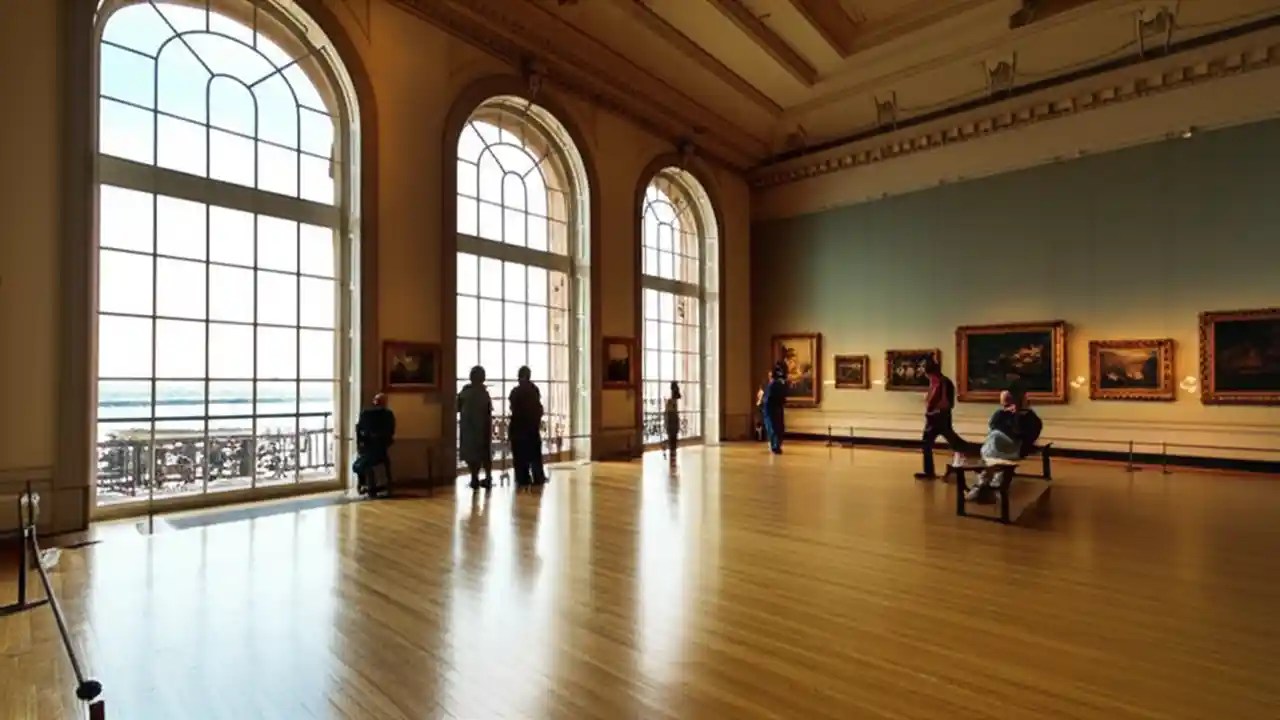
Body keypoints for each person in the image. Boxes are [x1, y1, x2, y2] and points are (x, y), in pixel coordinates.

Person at [965, 391, 1043, 502]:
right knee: (994, 438)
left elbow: (1027, 436)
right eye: (1004, 404)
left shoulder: (1030, 417)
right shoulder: (1001, 414)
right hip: (997, 448)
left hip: (1015, 448)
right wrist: (1005, 413)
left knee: (994, 439)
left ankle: (986, 485)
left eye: (1008, 403)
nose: (1005, 406)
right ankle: (985, 484)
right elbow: (992, 425)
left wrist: (1017, 417)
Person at [914, 358, 968, 480]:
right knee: (928, 444)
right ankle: (929, 472)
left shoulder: (943, 382)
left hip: (940, 418)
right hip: (934, 417)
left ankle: (965, 459)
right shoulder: (935, 381)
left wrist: (933, 409)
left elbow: (946, 403)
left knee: (951, 441)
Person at [508, 366, 548, 487]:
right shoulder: (534, 390)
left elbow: (512, 407)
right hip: (531, 428)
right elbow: (538, 408)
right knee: (535, 455)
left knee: (519, 457)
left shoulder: (515, 392)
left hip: (518, 429)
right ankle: (537, 477)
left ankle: (522, 478)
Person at [457, 365, 494, 491]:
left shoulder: (465, 392)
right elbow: (488, 411)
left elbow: (457, 407)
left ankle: (474, 478)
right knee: (484, 454)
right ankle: (487, 477)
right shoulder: (484, 393)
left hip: (469, 428)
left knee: (471, 455)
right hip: (483, 428)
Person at [353, 393, 395, 497]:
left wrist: (361, 443)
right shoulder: (388, 415)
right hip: (380, 448)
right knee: (366, 462)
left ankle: (367, 485)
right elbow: (391, 432)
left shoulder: (366, 414)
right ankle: (371, 485)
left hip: (369, 447)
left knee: (361, 463)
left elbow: (359, 429)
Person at [762, 363, 787, 454]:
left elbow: (768, 398)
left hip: (771, 409)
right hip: (776, 408)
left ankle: (774, 445)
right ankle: (776, 445)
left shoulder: (772, 385)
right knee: (777, 427)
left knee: (772, 428)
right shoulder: (779, 384)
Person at [665, 381, 682, 462]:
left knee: (673, 437)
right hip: (671, 418)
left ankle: (673, 452)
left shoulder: (672, 400)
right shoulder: (670, 401)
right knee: (672, 437)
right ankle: (672, 452)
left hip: (672, 417)